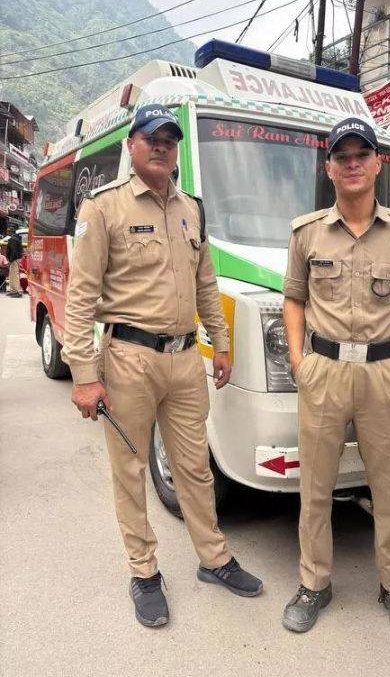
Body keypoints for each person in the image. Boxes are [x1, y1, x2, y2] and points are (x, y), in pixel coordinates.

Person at [63, 104, 263, 628]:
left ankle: (213, 559)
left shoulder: (192, 209)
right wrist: (84, 375)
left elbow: (205, 285)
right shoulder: (103, 208)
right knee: (130, 471)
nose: (161, 147)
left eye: (170, 141)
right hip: (128, 359)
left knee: (194, 467)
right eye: (151, 138)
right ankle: (144, 572)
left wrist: (221, 344)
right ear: (132, 145)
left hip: (183, 362)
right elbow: (80, 296)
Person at [281, 116, 390, 641]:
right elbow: (293, 300)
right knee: (315, 488)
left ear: (377, 163)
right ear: (329, 168)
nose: (351, 164)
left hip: (382, 373)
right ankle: (313, 584)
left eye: (360, 154)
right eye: (341, 156)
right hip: (322, 371)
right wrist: (300, 362)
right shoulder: (306, 232)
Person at [4, 230, 22, 296]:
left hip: (14, 259)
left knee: (14, 276)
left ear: (11, 232)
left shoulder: (13, 239)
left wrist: (11, 260)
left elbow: (13, 251)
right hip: (15, 259)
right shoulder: (16, 238)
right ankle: (12, 290)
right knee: (11, 275)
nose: (7, 232)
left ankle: (17, 291)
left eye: (8, 231)